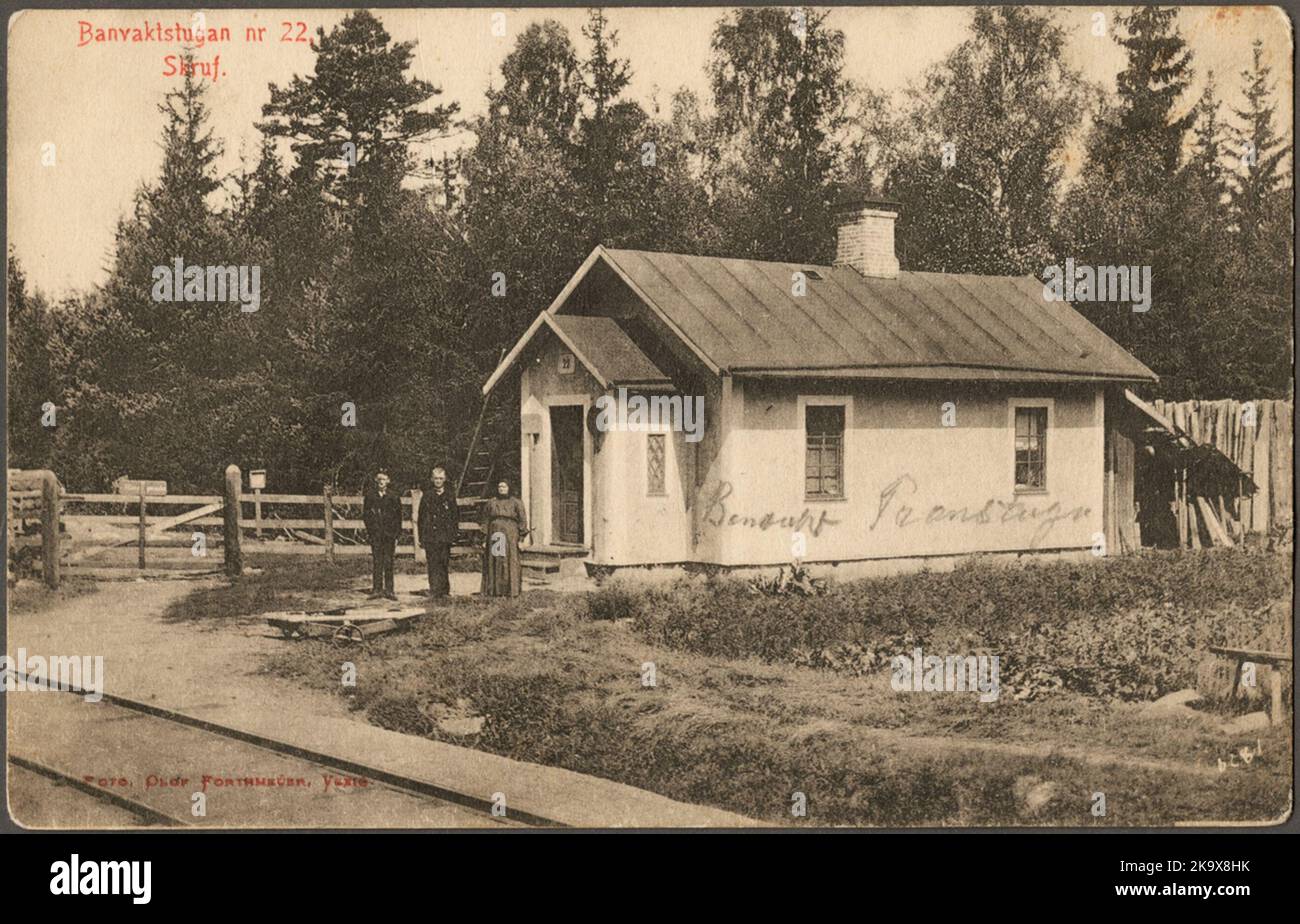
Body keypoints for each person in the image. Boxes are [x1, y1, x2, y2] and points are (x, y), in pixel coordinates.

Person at [480, 479, 528, 597]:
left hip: (510, 534)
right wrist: (484, 538)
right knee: (496, 559)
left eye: (504, 487)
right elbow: (485, 520)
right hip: (495, 533)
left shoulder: (516, 502)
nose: (501, 489)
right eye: (500, 486)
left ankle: (511, 590)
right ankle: (495, 590)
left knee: (509, 560)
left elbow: (522, 521)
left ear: (509, 488)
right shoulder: (492, 502)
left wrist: (521, 539)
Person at [417, 466, 458, 597]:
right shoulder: (427, 496)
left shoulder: (450, 496)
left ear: (445, 479)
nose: (438, 481)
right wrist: (421, 537)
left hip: (445, 536)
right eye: (436, 478)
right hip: (431, 536)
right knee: (433, 563)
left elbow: (455, 517)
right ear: (432, 479)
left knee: (444, 562)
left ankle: (444, 591)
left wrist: (453, 535)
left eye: (440, 478)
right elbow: (421, 518)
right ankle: (434, 590)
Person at [363, 471, 401, 600]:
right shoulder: (370, 496)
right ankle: (376, 589)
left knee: (389, 562)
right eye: (379, 479)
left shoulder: (394, 497)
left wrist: (396, 535)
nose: (381, 482)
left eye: (384, 479)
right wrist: (371, 532)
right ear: (376, 480)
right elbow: (366, 516)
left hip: (389, 535)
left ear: (388, 481)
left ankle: (389, 590)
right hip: (376, 535)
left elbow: (398, 517)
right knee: (377, 561)